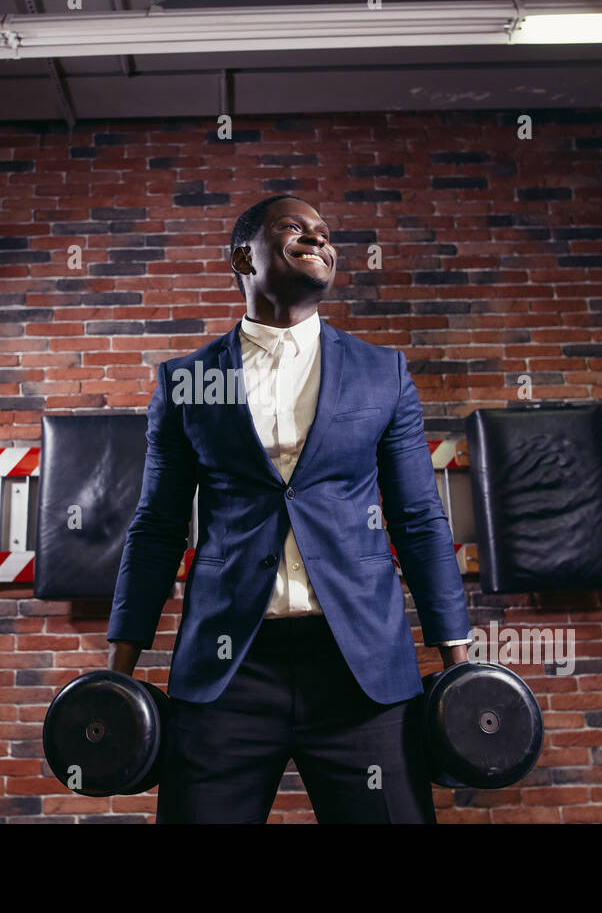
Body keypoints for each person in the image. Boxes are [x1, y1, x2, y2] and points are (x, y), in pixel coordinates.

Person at [106, 193, 472, 823]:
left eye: (326, 234)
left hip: (361, 670)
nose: (317, 239)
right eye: (292, 229)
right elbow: (158, 527)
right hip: (229, 671)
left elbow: (417, 519)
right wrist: (120, 669)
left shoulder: (381, 372)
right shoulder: (189, 380)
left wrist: (457, 662)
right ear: (240, 257)